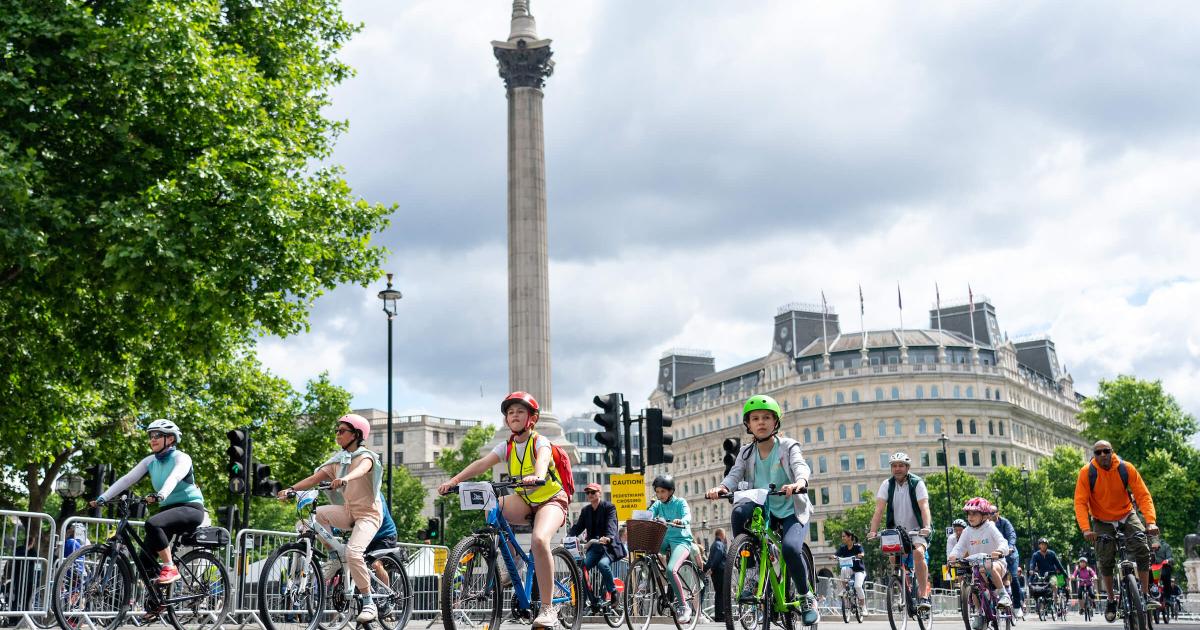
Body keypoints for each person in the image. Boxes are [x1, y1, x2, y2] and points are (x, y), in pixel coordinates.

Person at [437, 392, 570, 629]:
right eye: (510, 412)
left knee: (539, 540)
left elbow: (542, 459)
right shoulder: (506, 446)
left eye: (520, 411)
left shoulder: (540, 442)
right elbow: (481, 464)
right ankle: (514, 562)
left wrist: (537, 476)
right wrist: (454, 480)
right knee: (493, 505)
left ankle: (548, 608)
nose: (514, 416)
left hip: (551, 499)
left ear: (532, 418)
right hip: (526, 499)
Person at [705, 394, 816, 626]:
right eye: (755, 418)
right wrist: (722, 487)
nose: (761, 422)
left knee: (790, 548)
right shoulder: (746, 453)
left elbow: (800, 466)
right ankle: (751, 567)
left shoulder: (787, 446)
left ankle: (806, 597)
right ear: (748, 424)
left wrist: (800, 483)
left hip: (790, 511)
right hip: (763, 509)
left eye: (767, 417)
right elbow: (734, 475)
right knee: (738, 511)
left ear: (776, 422)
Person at [277, 413, 384, 623]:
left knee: (354, 553)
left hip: (369, 514)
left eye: (342, 431)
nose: (337, 435)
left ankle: (369, 602)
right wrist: (291, 489)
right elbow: (314, 479)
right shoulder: (338, 461)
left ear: (356, 434)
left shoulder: (366, 457)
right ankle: (335, 556)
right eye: (336, 431)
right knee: (308, 521)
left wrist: (344, 478)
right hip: (348, 510)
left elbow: (362, 471)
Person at [91, 419, 205, 586]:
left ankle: (169, 567)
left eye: (158, 435)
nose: (153, 439)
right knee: (145, 559)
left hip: (190, 508)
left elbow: (175, 476)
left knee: (152, 523)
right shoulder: (150, 461)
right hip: (168, 510)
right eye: (151, 435)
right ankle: (156, 603)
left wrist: (161, 495)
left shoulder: (182, 458)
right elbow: (127, 479)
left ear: (171, 439)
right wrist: (103, 497)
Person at [1073, 440, 1159, 621]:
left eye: (1106, 451)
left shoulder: (1125, 468)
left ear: (1112, 452)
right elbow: (1080, 502)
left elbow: (1143, 495)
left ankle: (1144, 595)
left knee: (1142, 546)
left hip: (1127, 514)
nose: (1103, 455)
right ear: (1094, 456)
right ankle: (1111, 599)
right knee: (1105, 557)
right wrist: (1086, 529)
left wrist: (1150, 522)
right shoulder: (1087, 473)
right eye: (1098, 452)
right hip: (1101, 519)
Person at [867, 452, 933, 613]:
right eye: (894, 466)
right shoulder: (886, 485)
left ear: (907, 467)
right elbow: (879, 510)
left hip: (917, 529)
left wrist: (927, 527)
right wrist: (873, 531)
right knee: (893, 556)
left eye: (901, 465)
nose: (897, 469)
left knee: (918, 553)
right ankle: (904, 585)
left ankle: (923, 595)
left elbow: (924, 507)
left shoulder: (917, 483)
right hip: (897, 531)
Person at [948, 497, 1011, 628]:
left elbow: (1003, 542)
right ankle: (979, 613)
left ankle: (1003, 594)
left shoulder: (990, 527)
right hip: (977, 565)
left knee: (990, 566)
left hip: (996, 562)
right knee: (974, 585)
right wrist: (953, 556)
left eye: (974, 513)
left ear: (984, 516)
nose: (970, 517)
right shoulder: (967, 531)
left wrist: (1000, 550)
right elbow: (959, 547)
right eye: (969, 514)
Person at [650, 474, 697, 623]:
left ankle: (684, 607)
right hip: (665, 540)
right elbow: (650, 513)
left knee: (671, 570)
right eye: (657, 492)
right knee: (647, 548)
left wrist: (682, 520)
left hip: (681, 541)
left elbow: (687, 516)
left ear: (670, 491)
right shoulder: (658, 504)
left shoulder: (680, 502)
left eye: (662, 491)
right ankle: (647, 574)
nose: (659, 495)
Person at [567, 482, 620, 612]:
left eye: (593, 492)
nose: (590, 495)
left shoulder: (609, 507)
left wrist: (608, 537)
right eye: (588, 493)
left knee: (603, 565)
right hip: (594, 547)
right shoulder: (586, 511)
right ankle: (590, 599)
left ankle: (613, 592)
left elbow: (612, 524)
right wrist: (568, 538)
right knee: (582, 568)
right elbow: (578, 527)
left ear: (599, 493)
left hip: (609, 547)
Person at [988, 506, 1023, 616]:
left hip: (1010, 556)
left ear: (998, 513)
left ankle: (1017, 607)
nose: (991, 515)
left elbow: (1011, 535)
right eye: (989, 513)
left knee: (1014, 578)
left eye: (993, 513)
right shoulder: (987, 525)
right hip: (995, 556)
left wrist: (1010, 547)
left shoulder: (1005, 523)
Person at [833, 530, 866, 608]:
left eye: (844, 536)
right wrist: (833, 556)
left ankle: (863, 606)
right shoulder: (843, 548)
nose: (842, 538)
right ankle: (845, 589)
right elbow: (836, 554)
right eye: (842, 536)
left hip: (859, 571)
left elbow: (862, 553)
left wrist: (860, 555)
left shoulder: (857, 546)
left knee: (857, 586)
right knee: (843, 569)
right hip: (849, 570)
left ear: (849, 537)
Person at [704, 528, 728, 622]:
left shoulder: (714, 544)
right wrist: (712, 568)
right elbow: (718, 556)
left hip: (716, 572)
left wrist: (708, 568)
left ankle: (719, 615)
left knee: (719, 593)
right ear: (721, 534)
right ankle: (721, 615)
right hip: (720, 571)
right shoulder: (719, 544)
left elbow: (710, 559)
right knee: (721, 593)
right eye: (724, 534)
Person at [1152, 539, 1174, 610]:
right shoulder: (1147, 545)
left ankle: (1167, 598)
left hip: (1163, 568)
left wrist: (1167, 560)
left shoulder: (1165, 546)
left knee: (1167, 576)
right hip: (1152, 568)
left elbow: (1170, 557)